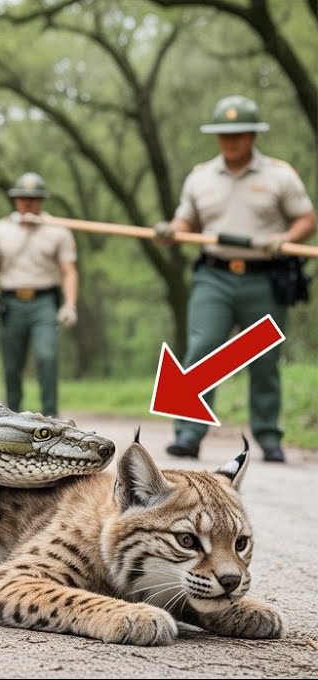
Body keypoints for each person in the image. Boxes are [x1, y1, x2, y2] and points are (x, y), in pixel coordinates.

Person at [152, 95, 315, 463]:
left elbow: (306, 219)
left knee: (265, 359)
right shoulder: (200, 177)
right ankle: (189, 433)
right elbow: (186, 221)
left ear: (253, 135)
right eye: (224, 134)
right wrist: (171, 231)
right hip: (214, 276)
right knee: (202, 346)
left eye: (238, 134)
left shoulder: (279, 175)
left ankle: (269, 436)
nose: (231, 141)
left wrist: (286, 238)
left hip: (264, 278)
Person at [0, 172, 79, 417]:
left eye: (33, 198)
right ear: (15, 200)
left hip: (44, 302)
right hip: (11, 303)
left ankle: (51, 416)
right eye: (23, 198)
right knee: (12, 366)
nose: (28, 203)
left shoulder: (58, 231)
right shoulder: (0, 230)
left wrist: (70, 305)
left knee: (47, 356)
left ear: (42, 200)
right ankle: (11, 418)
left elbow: (69, 271)